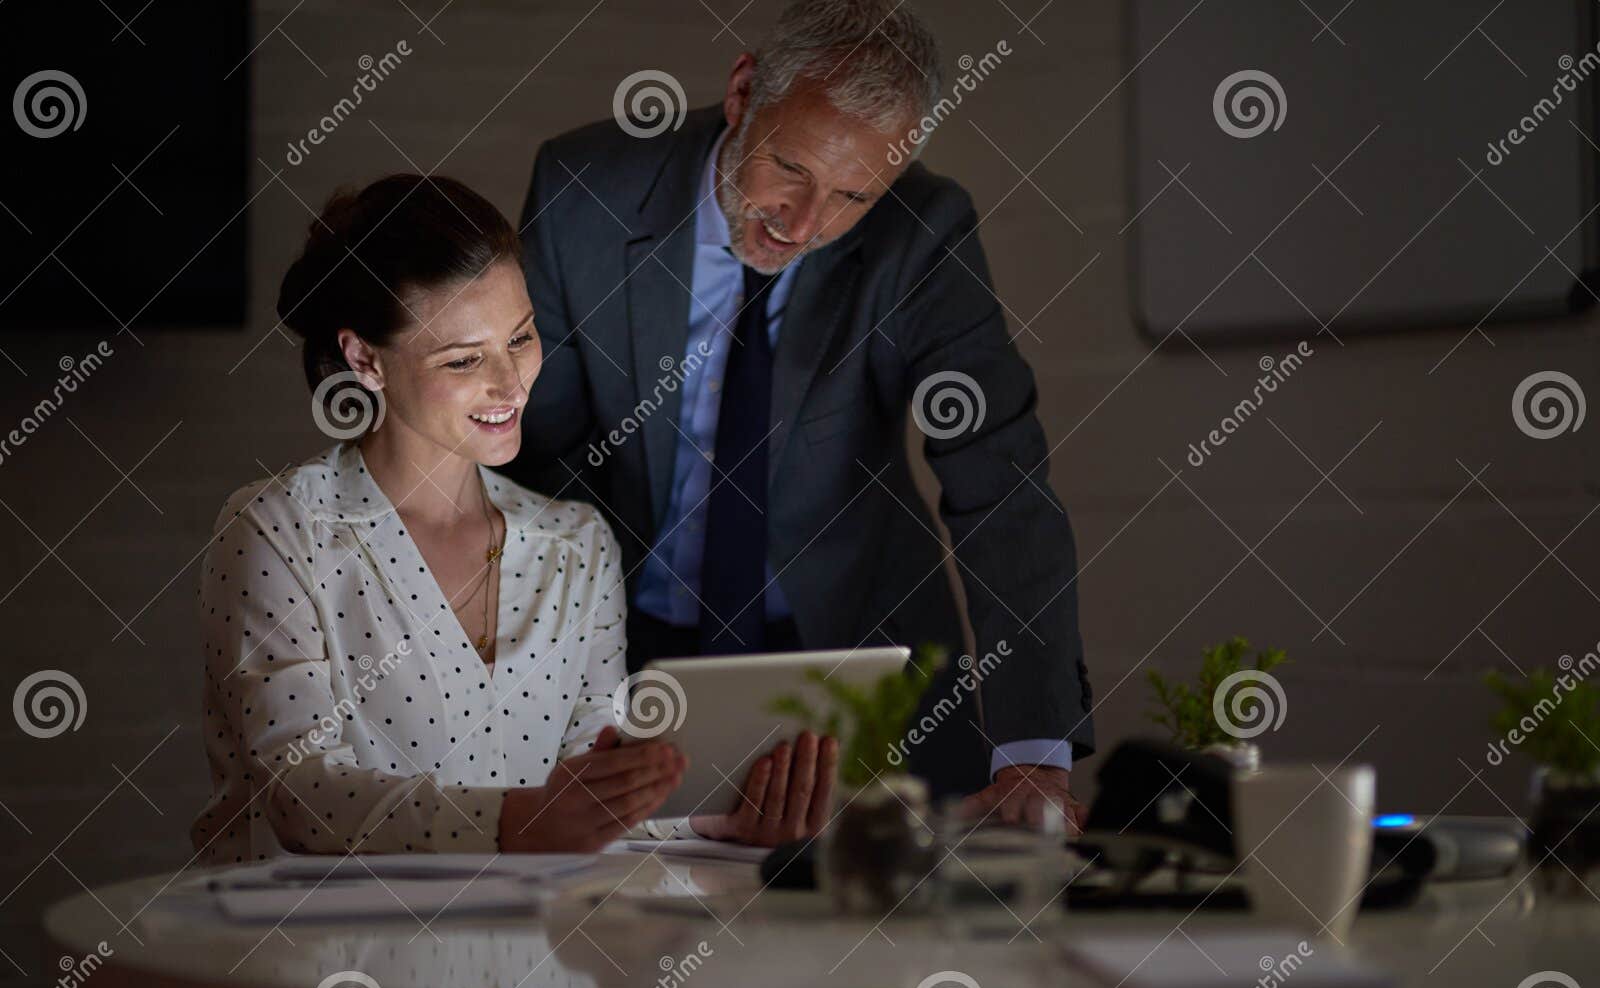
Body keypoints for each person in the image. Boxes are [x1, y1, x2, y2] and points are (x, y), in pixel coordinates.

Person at [504, 0, 1094, 831]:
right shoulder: (584, 191)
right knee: (635, 936)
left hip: (860, 664)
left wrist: (1034, 749)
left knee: (877, 947)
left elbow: (1000, 480)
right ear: (744, 91)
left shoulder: (923, 231)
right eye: (789, 168)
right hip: (631, 658)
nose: (804, 223)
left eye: (853, 194)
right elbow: (534, 464)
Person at [190, 174, 834, 864]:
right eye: (465, 359)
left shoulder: (576, 545)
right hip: (307, 963)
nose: (511, 384)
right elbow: (301, 794)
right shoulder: (280, 529)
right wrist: (515, 823)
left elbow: (589, 806)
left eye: (521, 339)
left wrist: (718, 824)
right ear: (365, 360)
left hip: (522, 962)